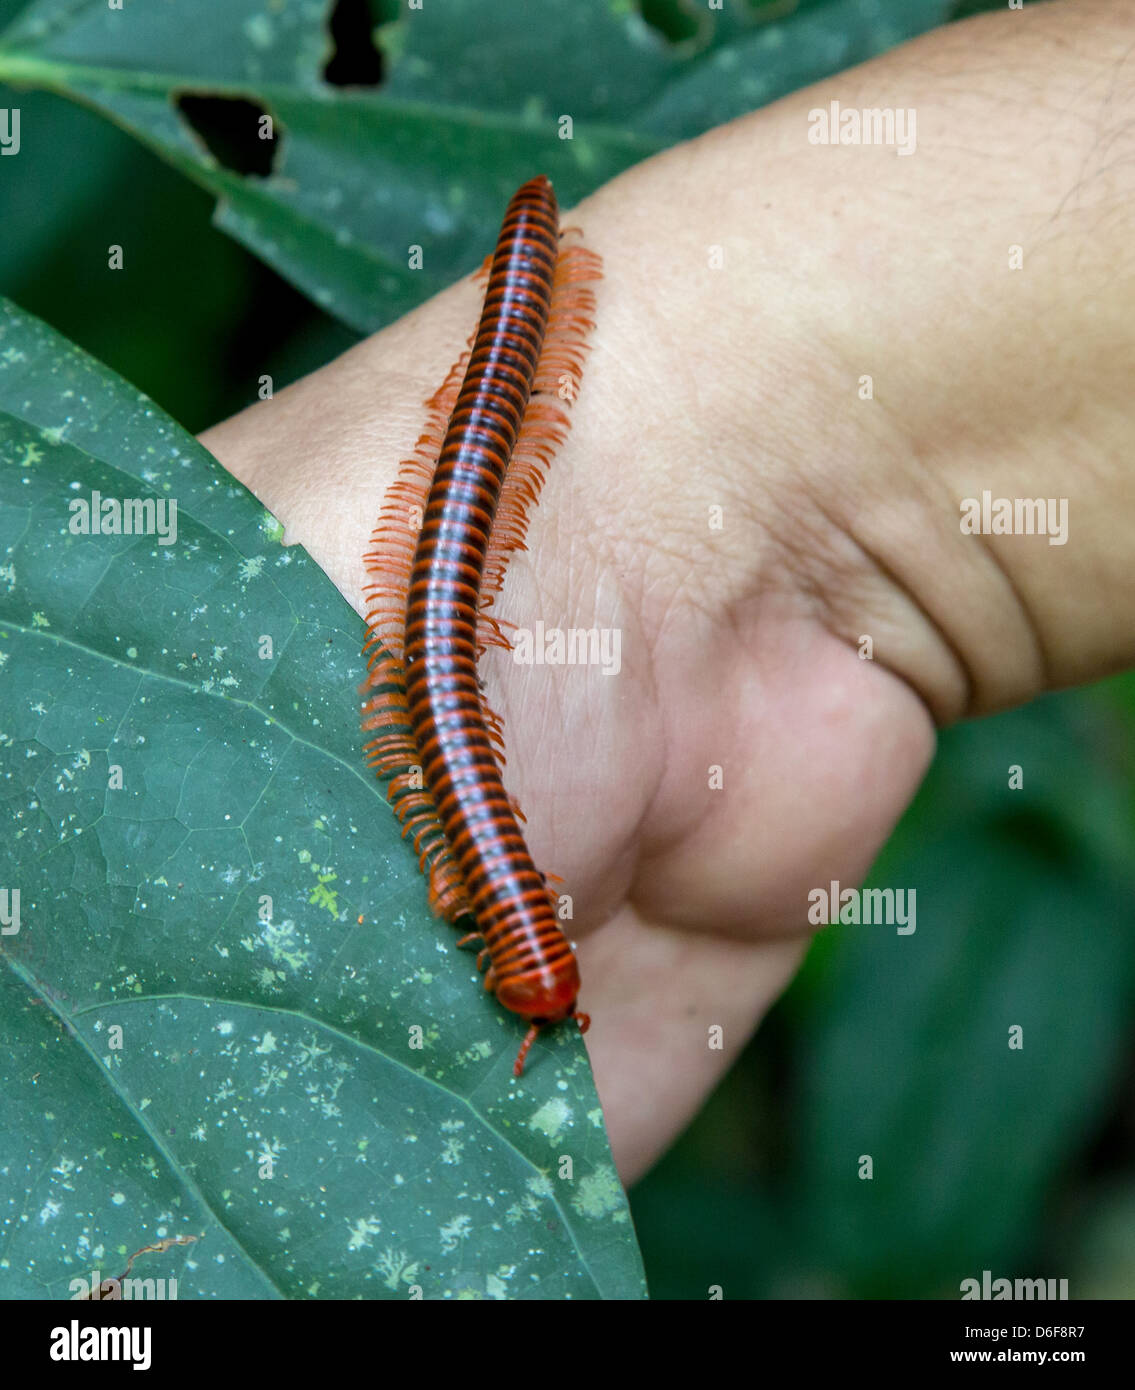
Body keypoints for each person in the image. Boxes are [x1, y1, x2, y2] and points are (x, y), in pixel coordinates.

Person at [201, 0, 1135, 1185]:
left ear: (509, 929)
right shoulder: (495, 865)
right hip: (477, 517)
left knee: (453, 596)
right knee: (443, 618)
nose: (540, 991)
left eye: (536, 975)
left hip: (493, 478)